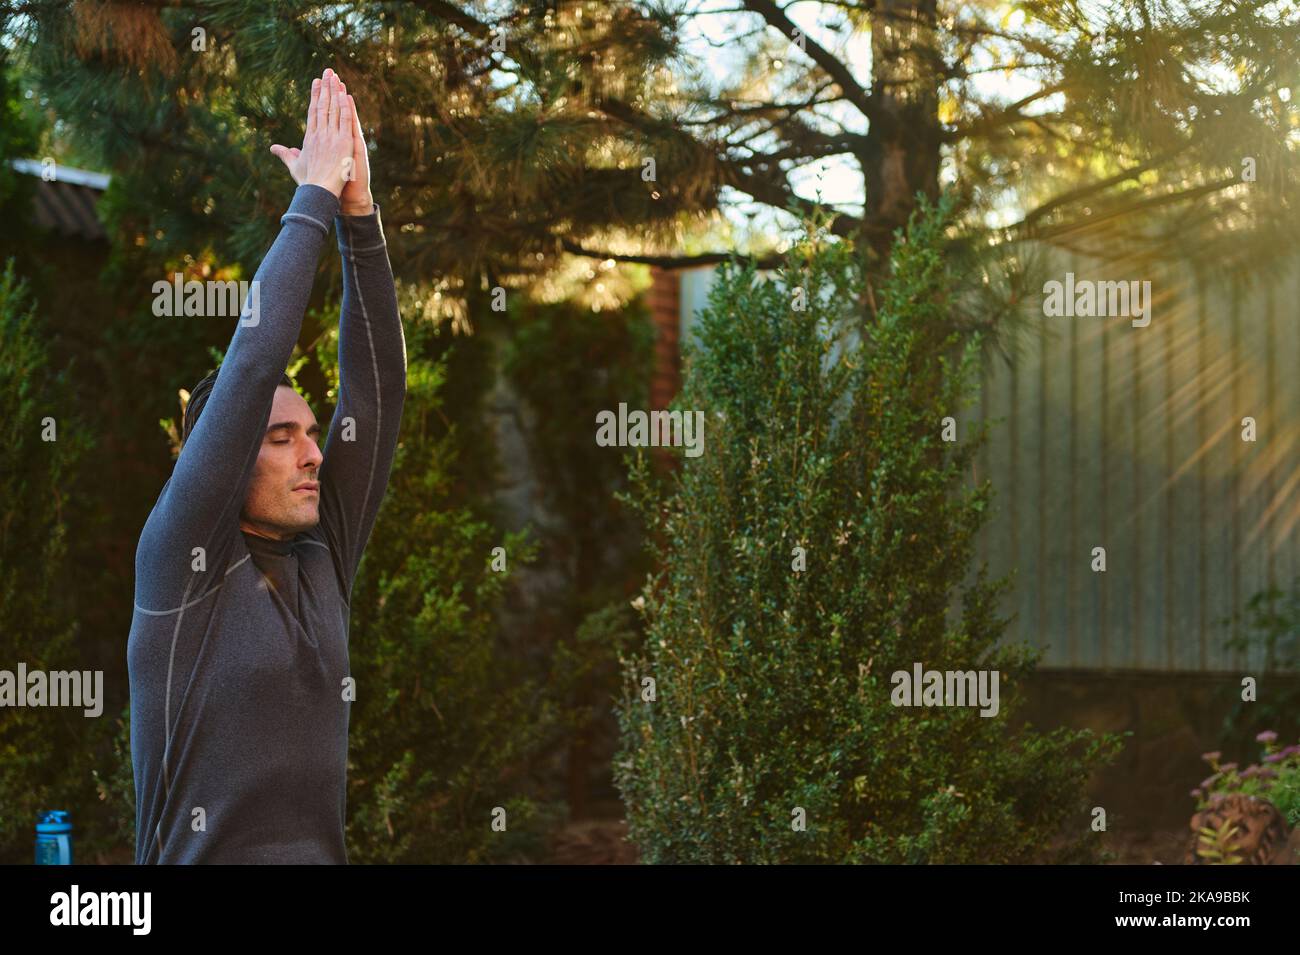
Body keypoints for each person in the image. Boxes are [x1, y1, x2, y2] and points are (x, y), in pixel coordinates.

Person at [127, 68, 405, 863]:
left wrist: (360, 217)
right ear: (220, 459)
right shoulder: (182, 563)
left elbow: (378, 392)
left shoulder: (323, 555)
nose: (314, 453)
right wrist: (311, 198)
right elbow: (252, 366)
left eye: (309, 433)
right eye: (281, 438)